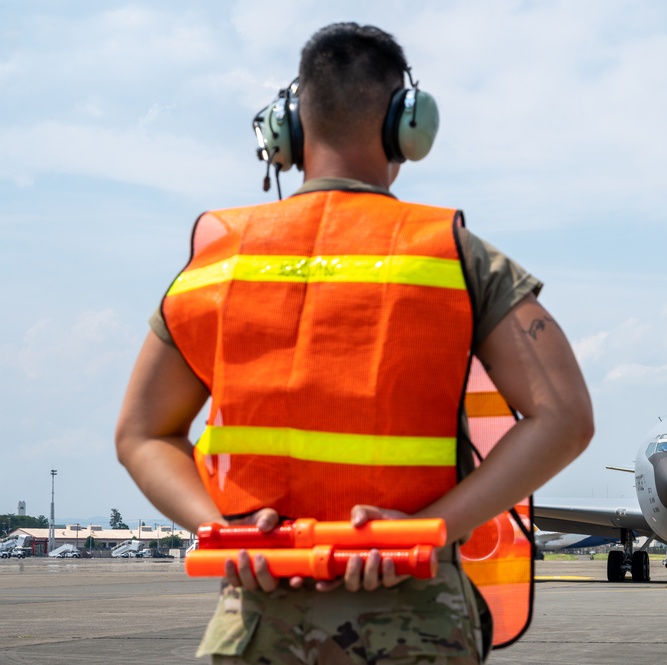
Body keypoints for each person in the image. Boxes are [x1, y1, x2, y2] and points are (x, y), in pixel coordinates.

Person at [116, 22, 592, 665]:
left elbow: (141, 434)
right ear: (407, 126)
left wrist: (225, 533)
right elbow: (564, 417)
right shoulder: (452, 254)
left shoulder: (220, 261)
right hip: (413, 612)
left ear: (285, 130)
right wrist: (436, 527)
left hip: (261, 615)